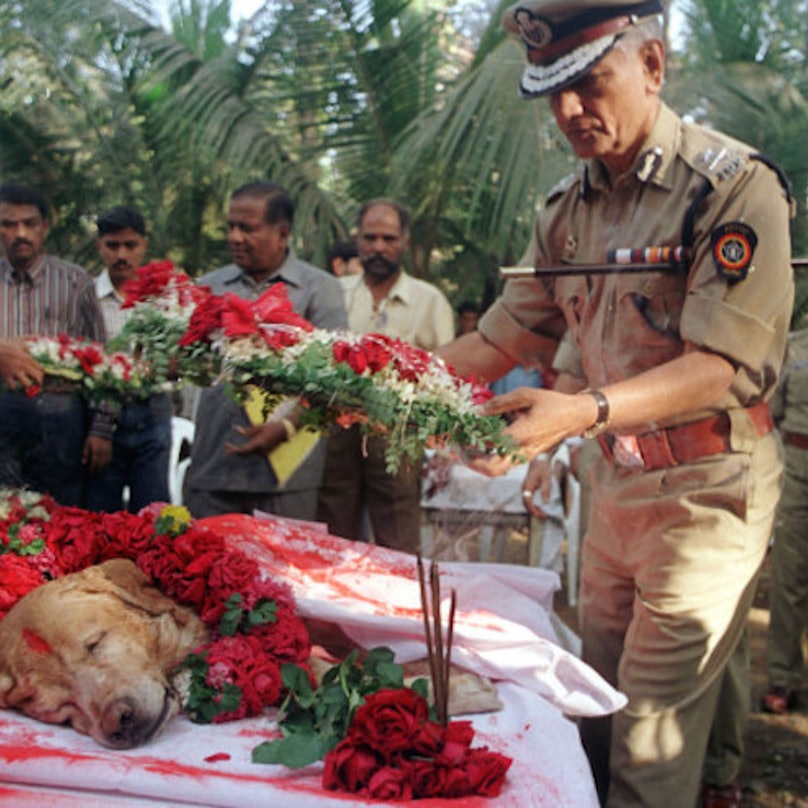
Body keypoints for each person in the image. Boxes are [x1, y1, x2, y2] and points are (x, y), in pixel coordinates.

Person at [437, 3, 794, 807]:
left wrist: (577, 413)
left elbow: (721, 366)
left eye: (590, 84)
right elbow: (500, 342)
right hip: (617, 489)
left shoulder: (733, 187)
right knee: (594, 698)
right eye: (550, 92)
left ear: (653, 67)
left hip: (709, 490)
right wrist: (382, 377)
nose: (568, 112)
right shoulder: (567, 211)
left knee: (646, 743)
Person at [183, 181, 347, 521]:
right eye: (230, 226)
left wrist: (285, 427)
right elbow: (186, 362)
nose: (234, 237)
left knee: (284, 570)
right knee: (204, 566)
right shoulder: (208, 287)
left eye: (248, 228)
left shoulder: (320, 290)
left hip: (286, 471)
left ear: (282, 233)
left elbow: (336, 378)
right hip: (214, 465)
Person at [316, 199, 455, 553]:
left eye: (389, 238)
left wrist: (440, 443)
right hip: (336, 432)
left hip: (397, 436)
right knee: (334, 536)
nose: (379, 247)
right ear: (357, 240)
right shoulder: (335, 291)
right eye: (370, 237)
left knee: (398, 542)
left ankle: (401, 607)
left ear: (405, 242)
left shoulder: (430, 300)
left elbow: (447, 377)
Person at [0, 183, 113, 506]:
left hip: (61, 418)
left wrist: (102, 429)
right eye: (8, 224)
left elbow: (102, 360)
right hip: (3, 414)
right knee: (5, 517)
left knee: (62, 515)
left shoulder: (76, 282)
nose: (20, 233)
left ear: (44, 227)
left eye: (29, 223)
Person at [86, 206, 173, 513]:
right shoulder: (86, 296)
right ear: (100, 246)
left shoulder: (165, 297)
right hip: (101, 417)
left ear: (144, 246)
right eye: (113, 246)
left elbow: (179, 358)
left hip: (154, 412)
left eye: (130, 245)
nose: (121, 254)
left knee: (154, 517)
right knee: (100, 514)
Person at [762, 328, 808, 715]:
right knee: (789, 576)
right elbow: (771, 413)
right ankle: (784, 676)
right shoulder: (793, 345)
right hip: (798, 467)